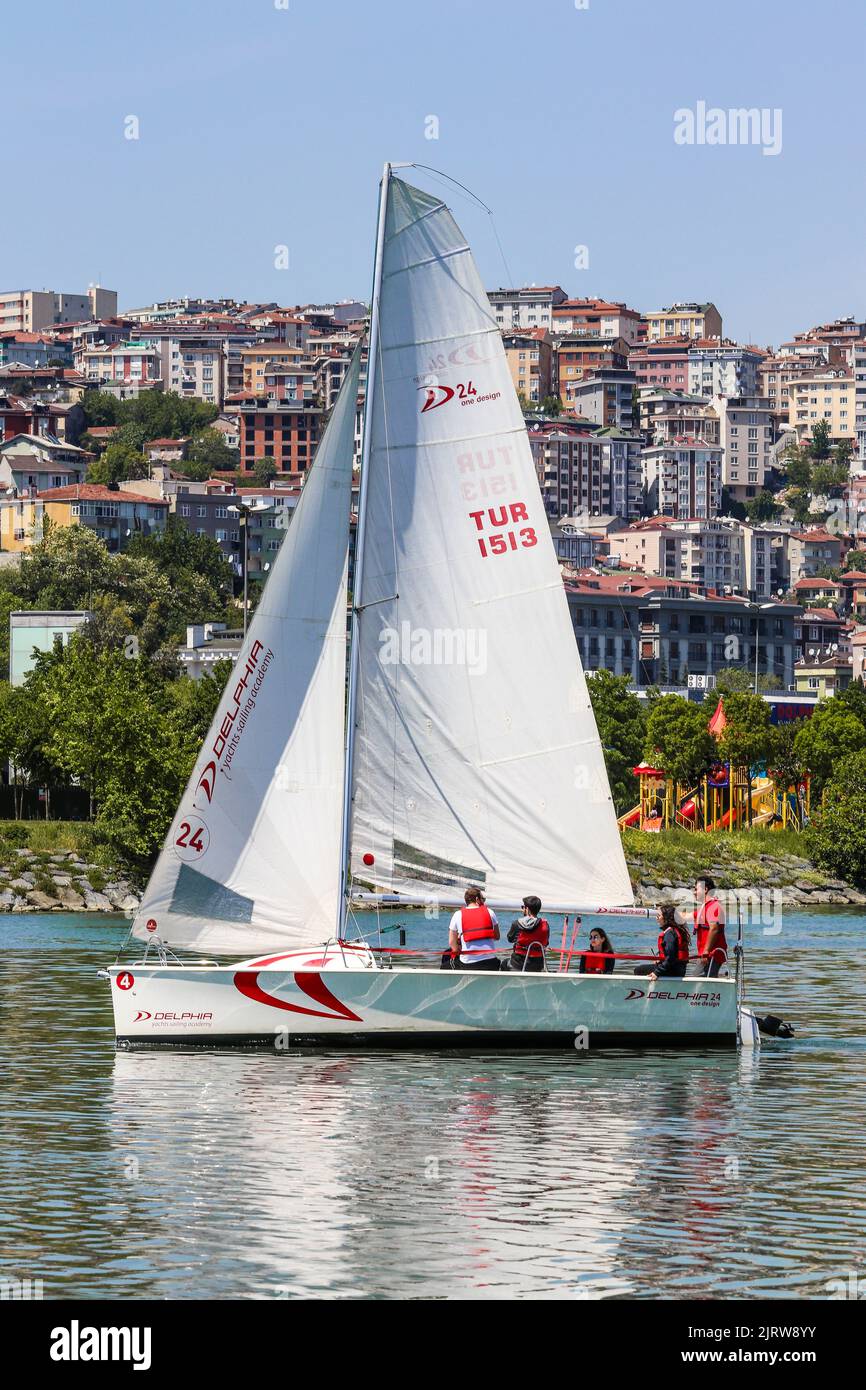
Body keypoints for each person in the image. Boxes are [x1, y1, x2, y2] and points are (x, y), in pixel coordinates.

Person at [448, 886, 501, 971]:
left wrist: (459, 947)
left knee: (447, 964)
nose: (483, 901)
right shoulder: (490, 912)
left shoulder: (457, 914)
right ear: (477, 899)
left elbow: (451, 943)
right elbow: (497, 937)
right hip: (490, 963)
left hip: (468, 964)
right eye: (483, 899)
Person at [634, 904, 690, 980]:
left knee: (638, 970)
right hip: (679, 969)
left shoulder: (670, 933)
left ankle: (645, 991)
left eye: (658, 915)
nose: (656, 918)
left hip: (672, 971)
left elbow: (670, 958)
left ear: (666, 917)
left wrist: (657, 972)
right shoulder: (676, 930)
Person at [694, 874, 728, 977]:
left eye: (696, 889)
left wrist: (706, 951)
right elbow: (686, 915)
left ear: (705, 890)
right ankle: (720, 978)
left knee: (700, 980)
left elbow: (714, 929)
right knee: (696, 977)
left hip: (711, 955)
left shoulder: (713, 907)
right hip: (705, 955)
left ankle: (718, 984)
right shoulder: (705, 907)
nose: (694, 892)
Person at [506, 895, 550, 972]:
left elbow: (510, 939)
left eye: (523, 907)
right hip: (538, 964)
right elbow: (546, 943)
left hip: (518, 963)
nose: (522, 909)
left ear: (527, 909)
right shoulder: (545, 924)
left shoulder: (517, 923)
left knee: (504, 963)